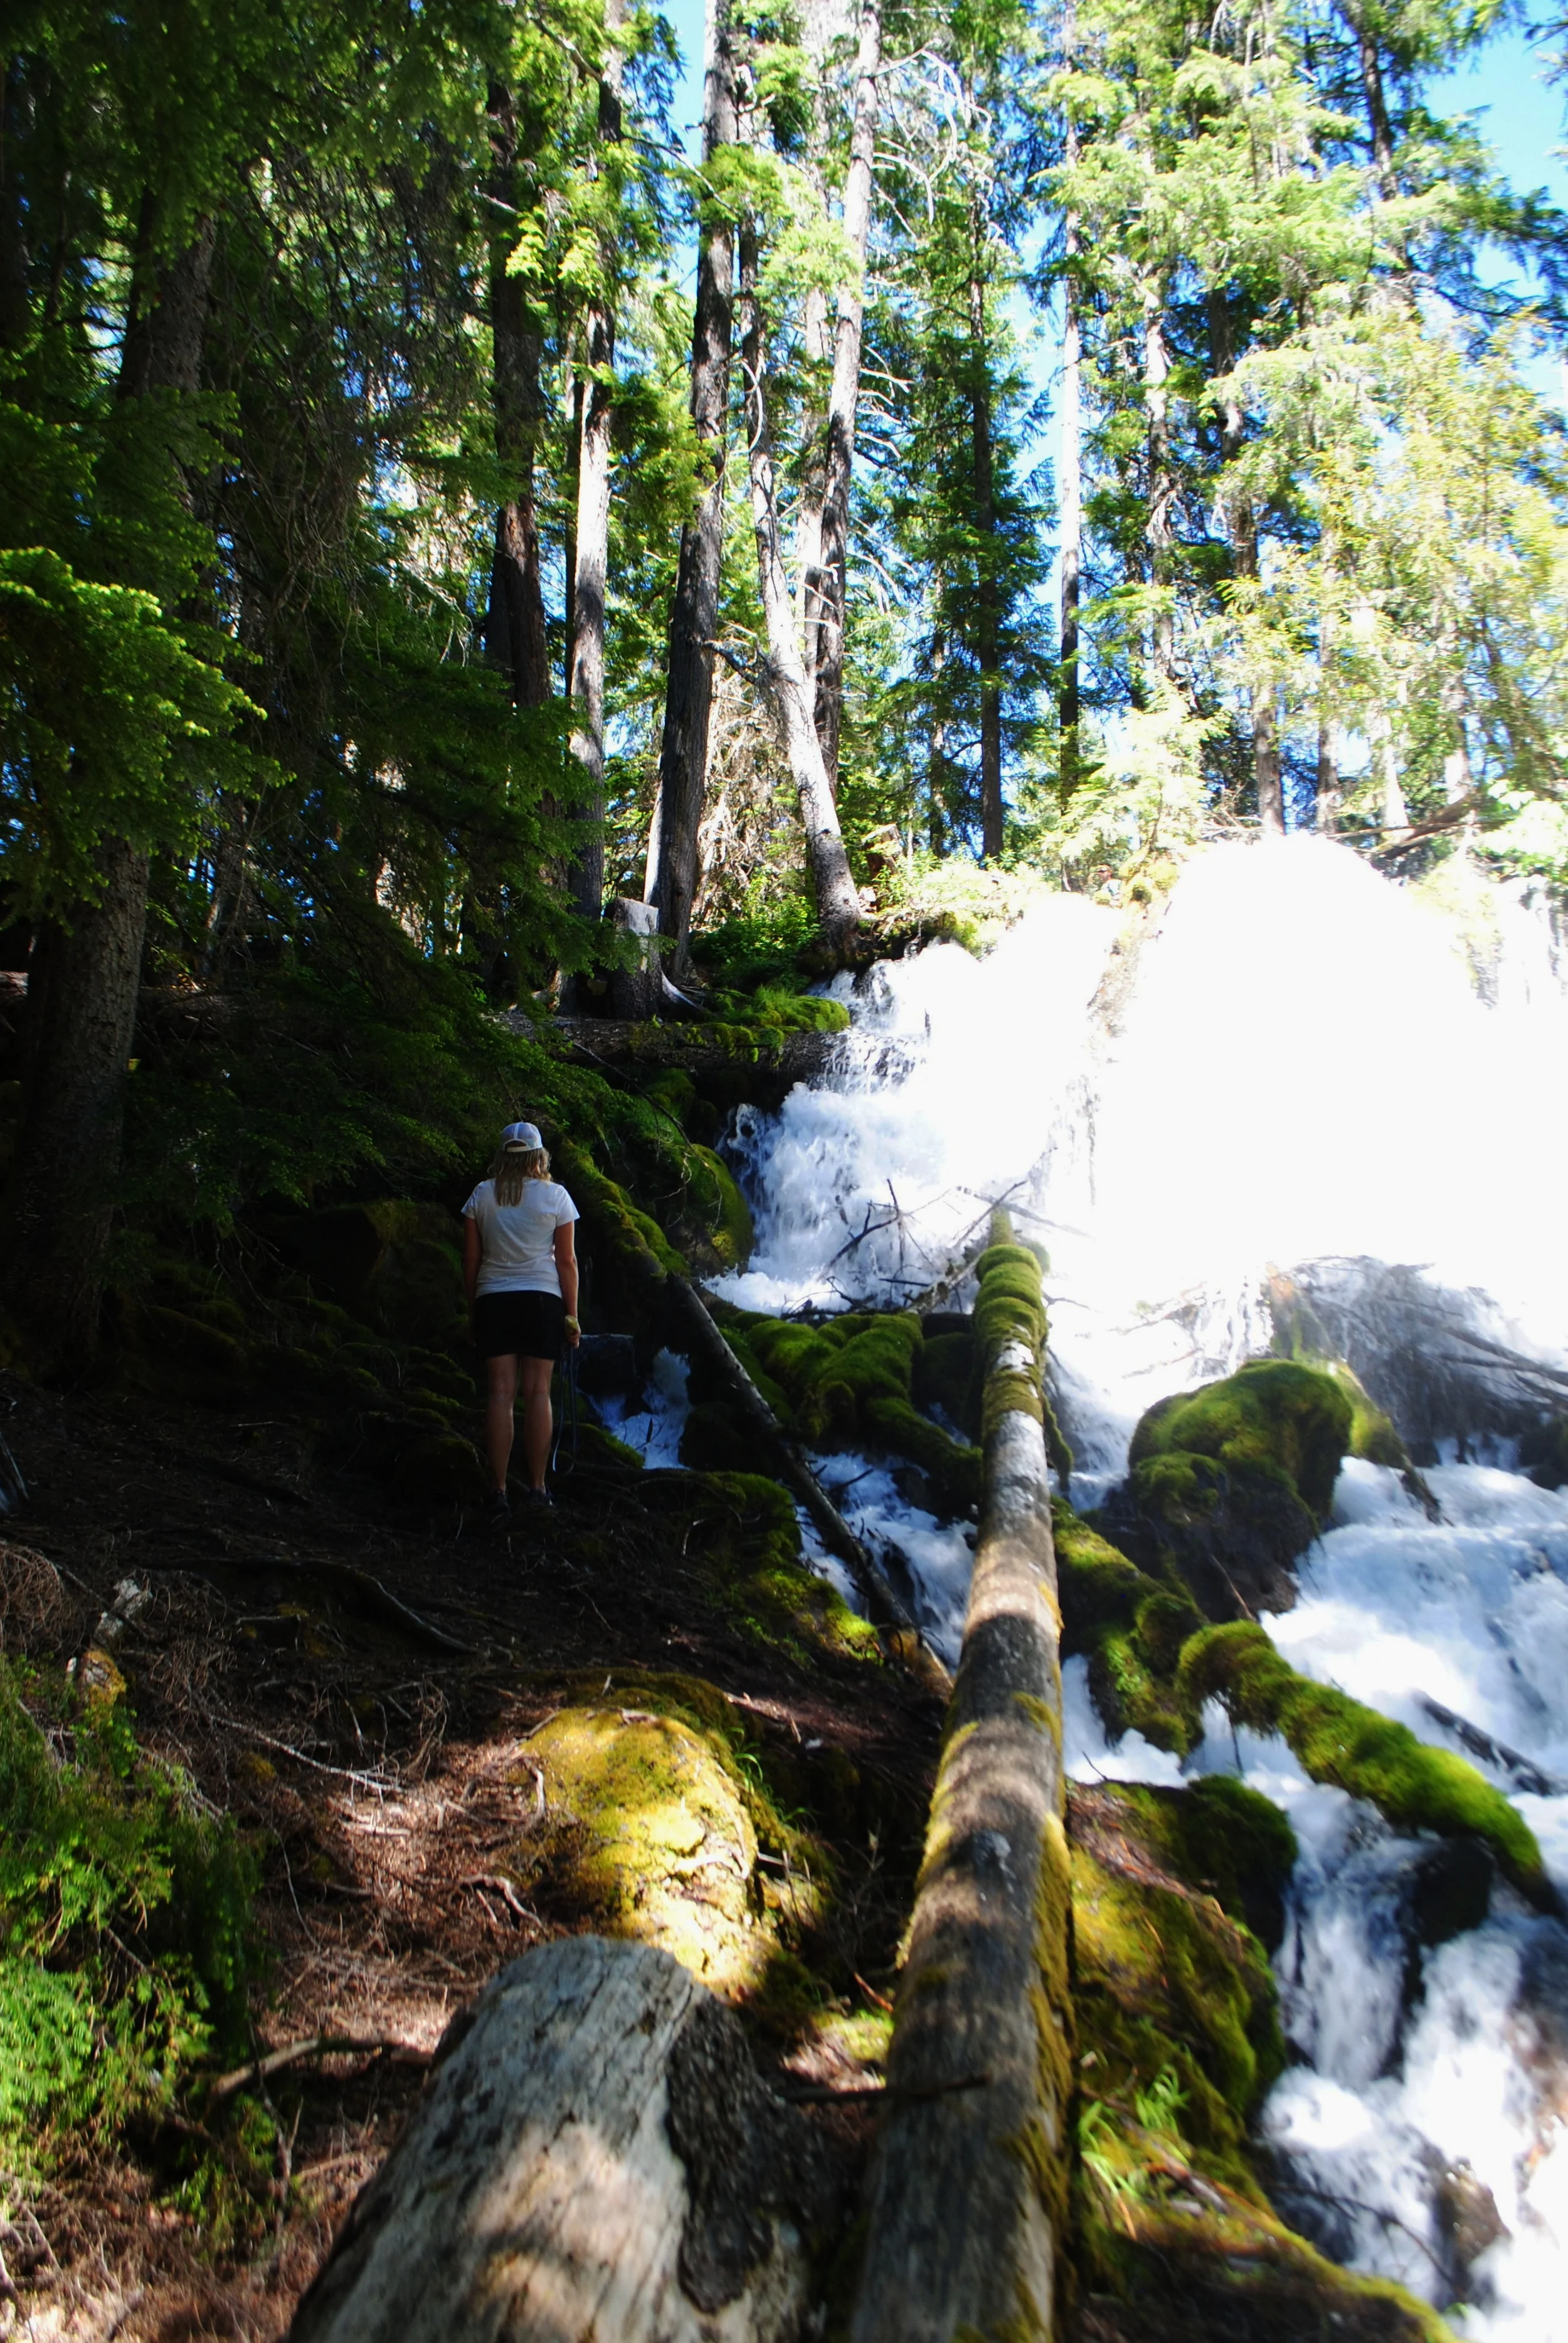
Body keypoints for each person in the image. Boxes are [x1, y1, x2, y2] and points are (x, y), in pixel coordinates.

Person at [462, 1122, 581, 1522]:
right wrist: (572, 1316)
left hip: (494, 1298)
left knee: (499, 1393)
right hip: (543, 1301)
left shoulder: (481, 1195)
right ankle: (537, 1488)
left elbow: (472, 1261)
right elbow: (566, 1262)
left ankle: (497, 1490)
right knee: (538, 1393)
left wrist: (472, 1308)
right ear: (538, 1155)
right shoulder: (557, 1197)